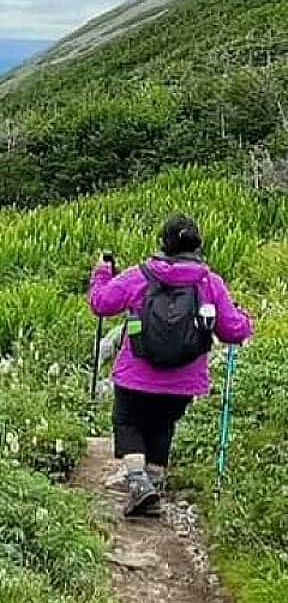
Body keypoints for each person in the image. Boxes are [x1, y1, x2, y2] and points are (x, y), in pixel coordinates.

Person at [89, 214, 253, 518]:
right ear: (197, 245)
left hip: (136, 375)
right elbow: (233, 331)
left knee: (128, 422)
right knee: (163, 425)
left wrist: (101, 272)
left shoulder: (139, 276)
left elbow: (101, 303)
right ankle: (153, 485)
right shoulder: (210, 282)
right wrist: (245, 318)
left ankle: (139, 485)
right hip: (184, 380)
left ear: (163, 243)